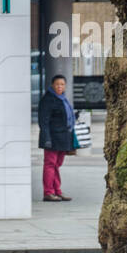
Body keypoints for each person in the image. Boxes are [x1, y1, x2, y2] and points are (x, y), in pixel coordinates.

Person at [38, 74, 76, 202]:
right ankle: (48, 192)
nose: (60, 86)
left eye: (62, 84)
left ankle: (57, 191)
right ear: (52, 85)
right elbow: (43, 122)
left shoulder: (62, 99)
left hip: (63, 137)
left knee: (57, 165)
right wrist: (46, 139)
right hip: (52, 138)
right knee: (50, 164)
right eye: (57, 84)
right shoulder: (48, 100)